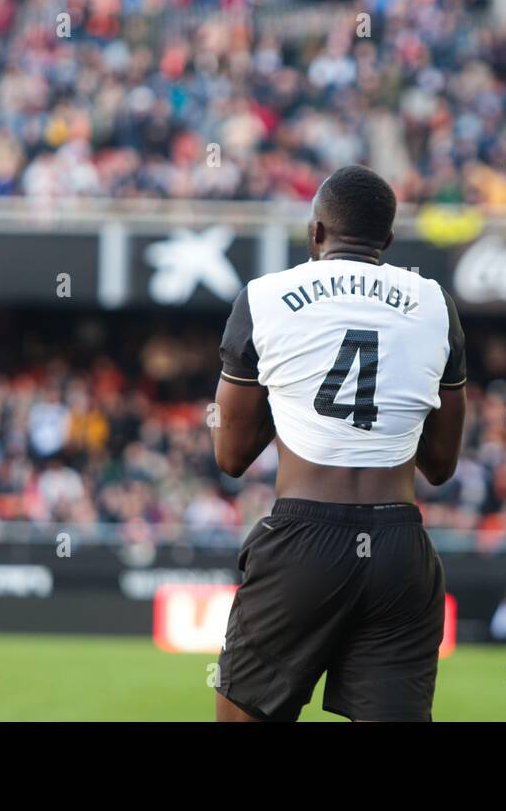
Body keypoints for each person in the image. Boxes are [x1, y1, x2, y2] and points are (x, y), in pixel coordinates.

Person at [210, 164, 467, 722]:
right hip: (400, 550)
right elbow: (442, 465)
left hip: (303, 539)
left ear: (316, 233)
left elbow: (229, 457)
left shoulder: (263, 297)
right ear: (389, 242)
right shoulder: (434, 303)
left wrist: (292, 392)